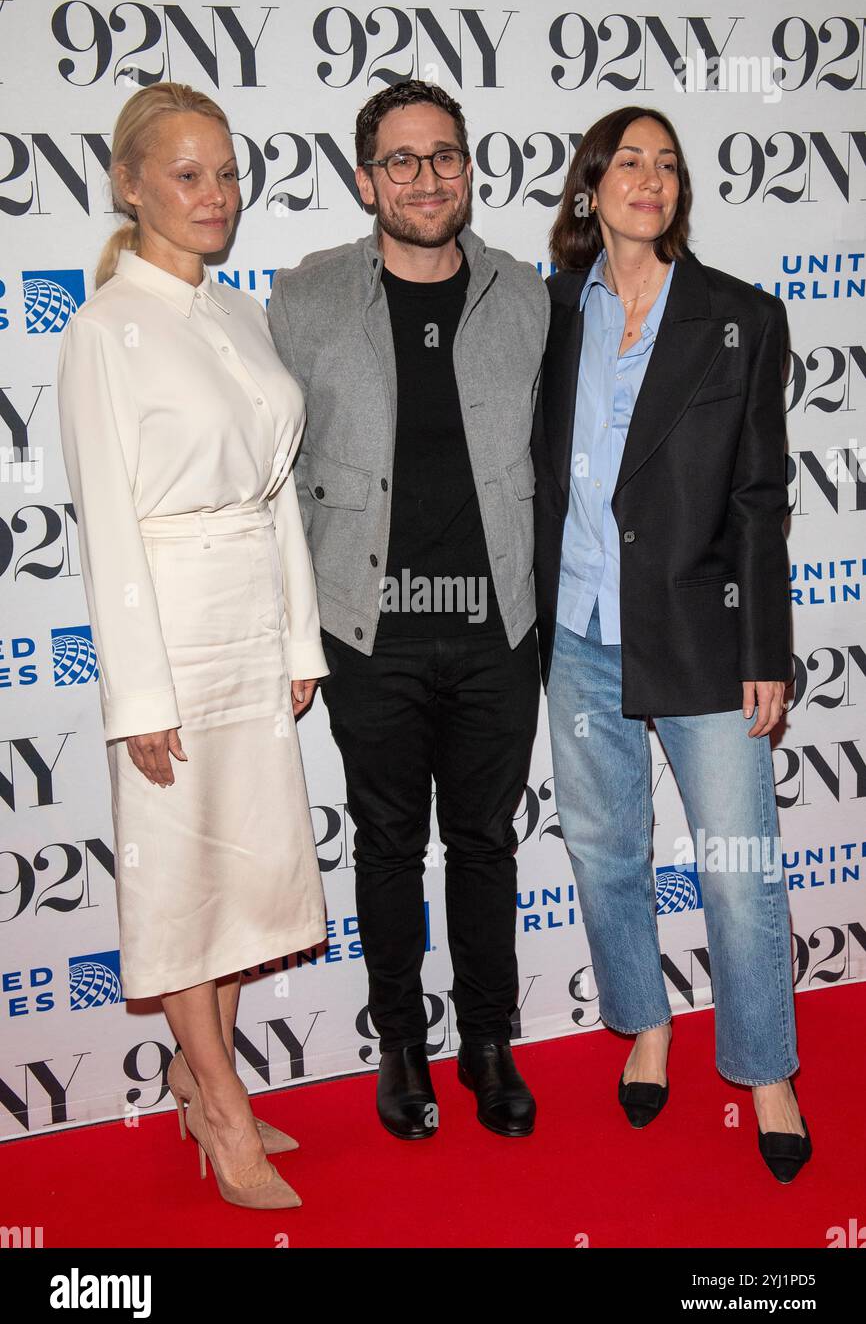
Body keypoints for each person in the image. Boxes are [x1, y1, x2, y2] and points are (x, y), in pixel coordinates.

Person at [57, 82, 328, 1209]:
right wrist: (136, 695)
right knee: (178, 875)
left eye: (225, 172)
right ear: (128, 184)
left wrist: (299, 636)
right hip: (166, 624)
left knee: (234, 868)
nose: (213, 194)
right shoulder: (102, 330)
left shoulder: (237, 313)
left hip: (250, 621)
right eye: (186, 174)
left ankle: (192, 1066)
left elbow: (275, 499)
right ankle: (218, 1104)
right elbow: (106, 526)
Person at [532, 105, 812, 1183]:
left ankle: (764, 1067)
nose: (648, 178)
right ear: (589, 188)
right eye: (626, 162)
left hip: (700, 632)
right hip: (577, 630)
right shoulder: (552, 308)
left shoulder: (739, 315)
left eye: (665, 164)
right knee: (606, 854)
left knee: (737, 868)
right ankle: (643, 1023)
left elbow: (758, 494)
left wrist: (764, 648)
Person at [268, 81, 549, 1141]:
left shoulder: (523, 296)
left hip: (495, 636)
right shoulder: (304, 300)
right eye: (400, 160)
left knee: (484, 846)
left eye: (443, 157)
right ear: (363, 180)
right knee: (386, 847)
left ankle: (488, 1042)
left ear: (468, 169)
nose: (424, 177)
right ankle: (400, 1046)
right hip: (366, 635)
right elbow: (280, 483)